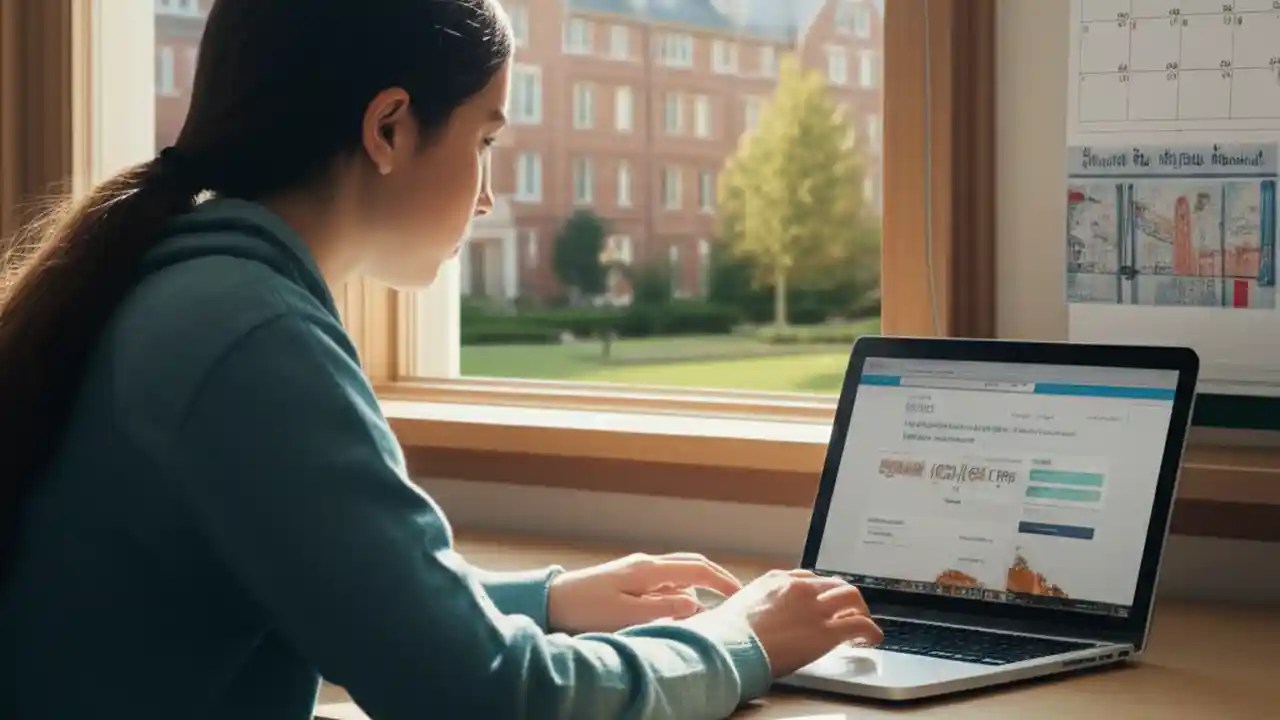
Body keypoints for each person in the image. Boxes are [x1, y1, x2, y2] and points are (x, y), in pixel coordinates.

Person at [0, 1, 883, 718]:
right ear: (389, 127)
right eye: (486, 139)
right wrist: (744, 642)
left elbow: (341, 595)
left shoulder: (169, 286)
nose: (492, 192)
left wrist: (549, 602)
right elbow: (486, 697)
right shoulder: (248, 337)